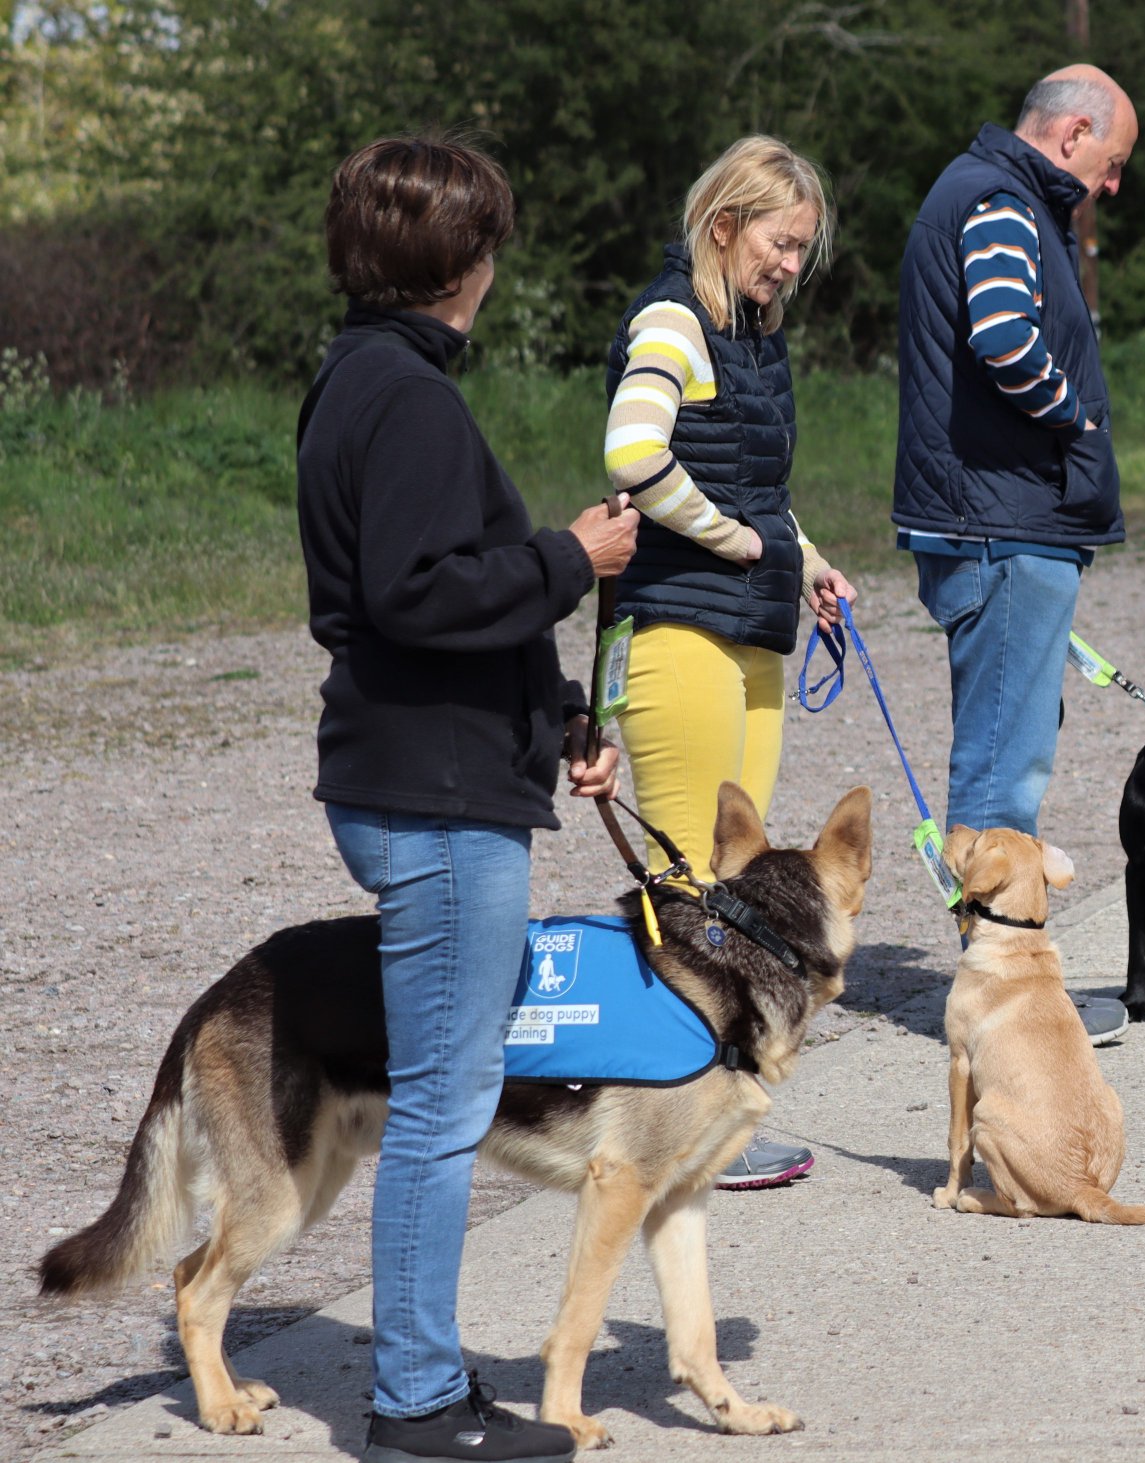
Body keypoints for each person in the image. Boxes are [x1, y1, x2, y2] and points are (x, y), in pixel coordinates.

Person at [298, 134, 639, 1462]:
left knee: (441, 1097)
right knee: (443, 1110)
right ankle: (416, 1401)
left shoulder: (357, 377)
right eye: (487, 243)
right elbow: (418, 592)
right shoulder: (410, 398)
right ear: (458, 262)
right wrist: (572, 555)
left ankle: (425, 1373)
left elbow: (431, 596)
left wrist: (557, 716)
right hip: (433, 799)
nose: (495, 265)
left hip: (422, 765)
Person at [601, 135, 854, 1188]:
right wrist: (729, 538)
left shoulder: (751, 335)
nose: (790, 265)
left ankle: (714, 1115)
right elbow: (633, 452)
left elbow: (753, 485)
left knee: (736, 890)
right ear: (724, 225)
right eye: (779, 244)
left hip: (749, 632)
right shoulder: (673, 320)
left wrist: (806, 562)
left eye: (801, 249)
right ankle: (674, 1124)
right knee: (687, 897)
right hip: (679, 633)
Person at [892, 66, 1138, 1042]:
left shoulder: (992, 193)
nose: (1111, 184)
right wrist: (1078, 417)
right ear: (1072, 132)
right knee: (1004, 773)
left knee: (1005, 757)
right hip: (1002, 520)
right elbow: (1003, 336)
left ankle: (1000, 983)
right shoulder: (999, 200)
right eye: (1111, 161)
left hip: (996, 516)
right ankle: (1005, 1005)